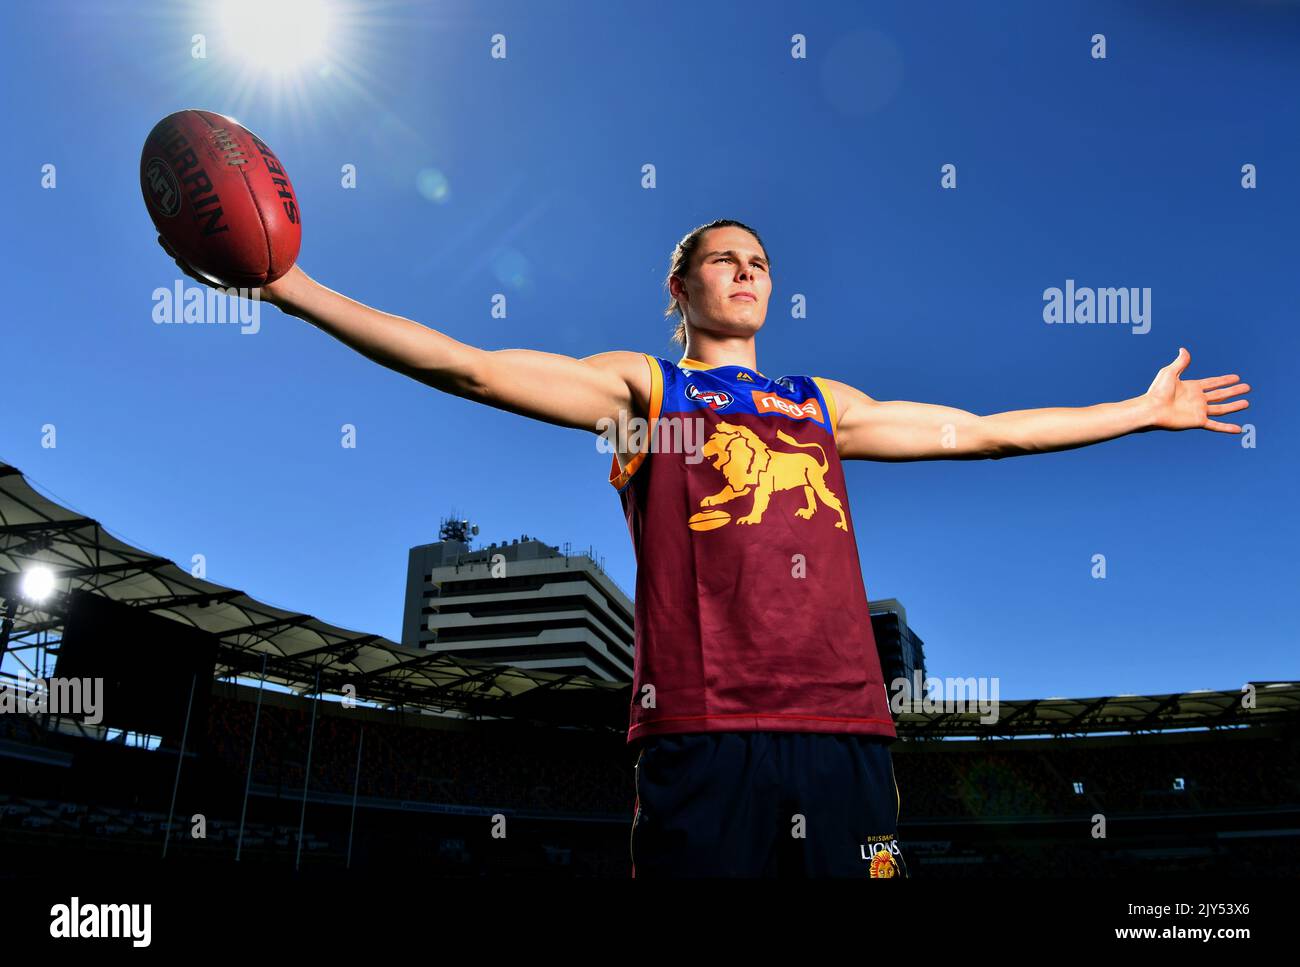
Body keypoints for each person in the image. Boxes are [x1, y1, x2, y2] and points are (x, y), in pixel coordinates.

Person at [157, 218, 1251, 878]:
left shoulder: (820, 403)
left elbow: (978, 431)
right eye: (721, 260)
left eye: (759, 260)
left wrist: (1133, 409)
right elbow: (471, 365)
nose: (745, 270)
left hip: (843, 738)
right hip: (706, 734)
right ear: (679, 289)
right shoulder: (646, 390)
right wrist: (290, 289)